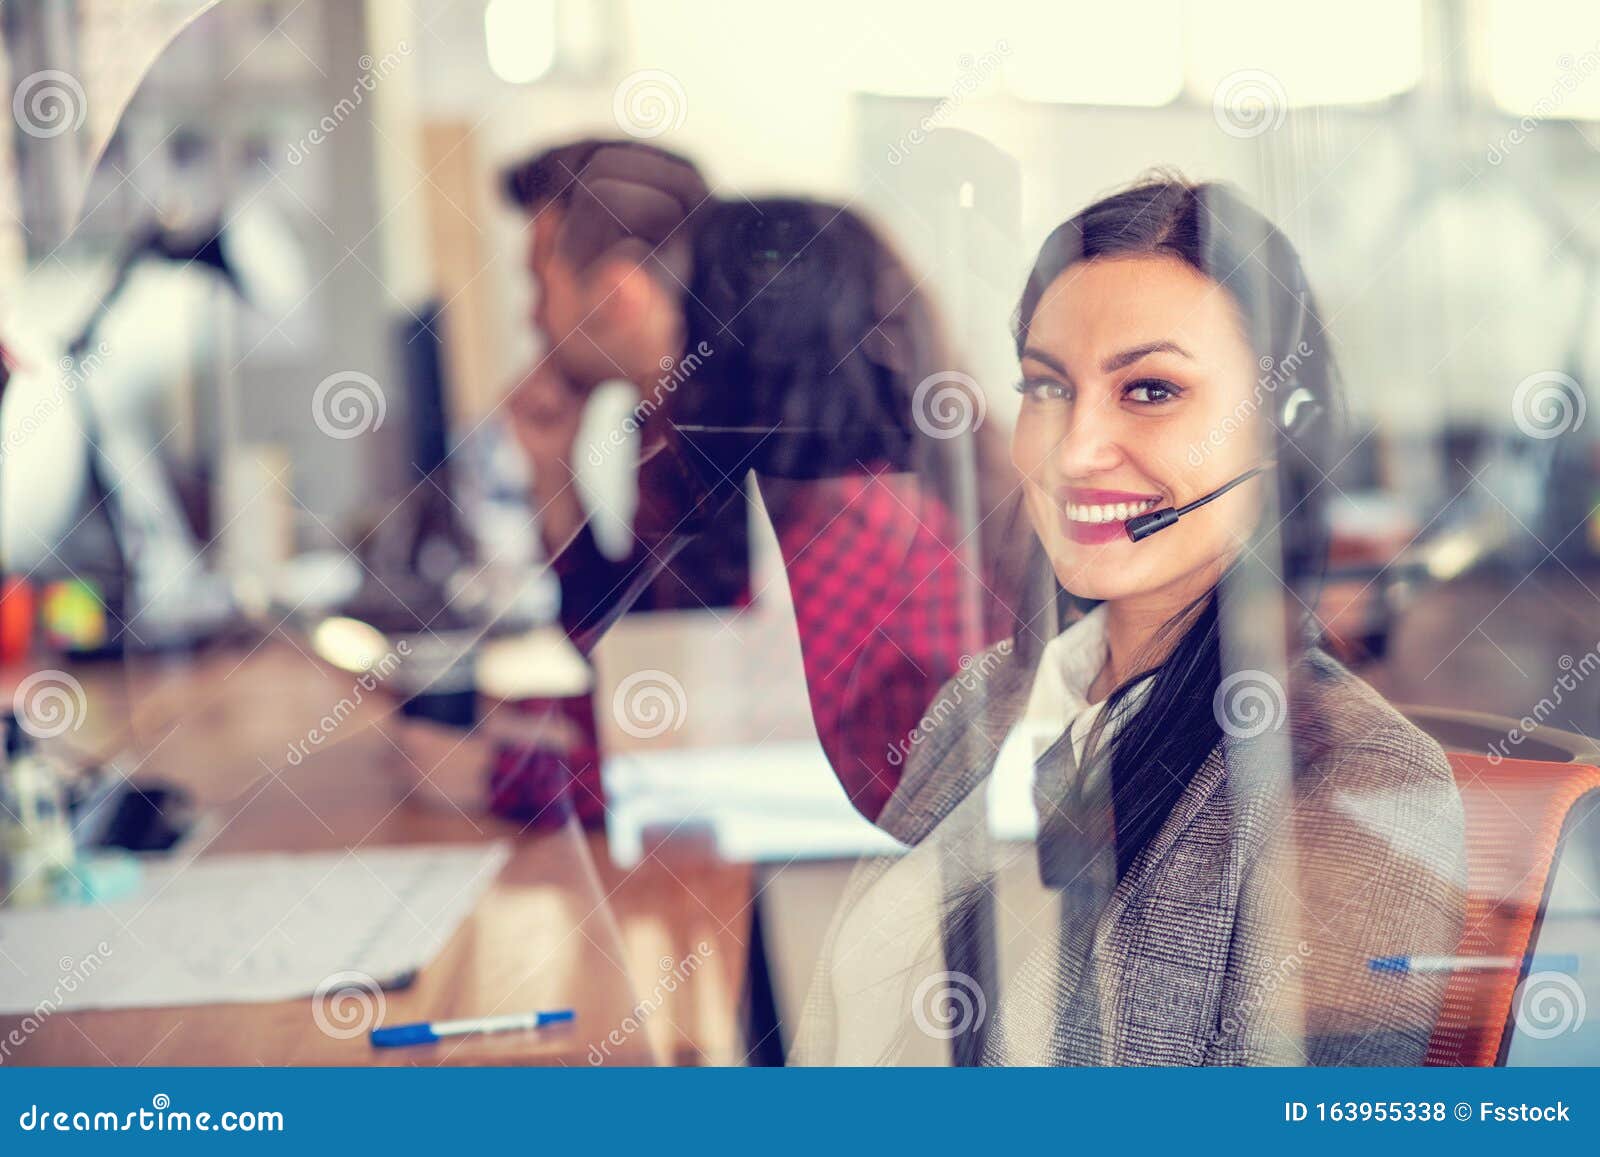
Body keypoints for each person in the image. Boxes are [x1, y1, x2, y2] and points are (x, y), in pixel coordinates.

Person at [789, 177, 1468, 1066]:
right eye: (1047, 387)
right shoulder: (981, 704)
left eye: (1150, 390)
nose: (1074, 451)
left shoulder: (1347, 780)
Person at [529, 141, 1012, 820]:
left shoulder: (853, 528)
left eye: (696, 313)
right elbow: (667, 687)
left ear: (747, 343)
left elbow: (705, 768)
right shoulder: (815, 502)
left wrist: (503, 770)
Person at [500, 140, 749, 645]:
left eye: (541, 286)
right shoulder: (669, 413)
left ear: (620, 295)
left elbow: (660, 679)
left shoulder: (720, 437)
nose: (532, 317)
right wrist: (554, 477)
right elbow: (633, 650)